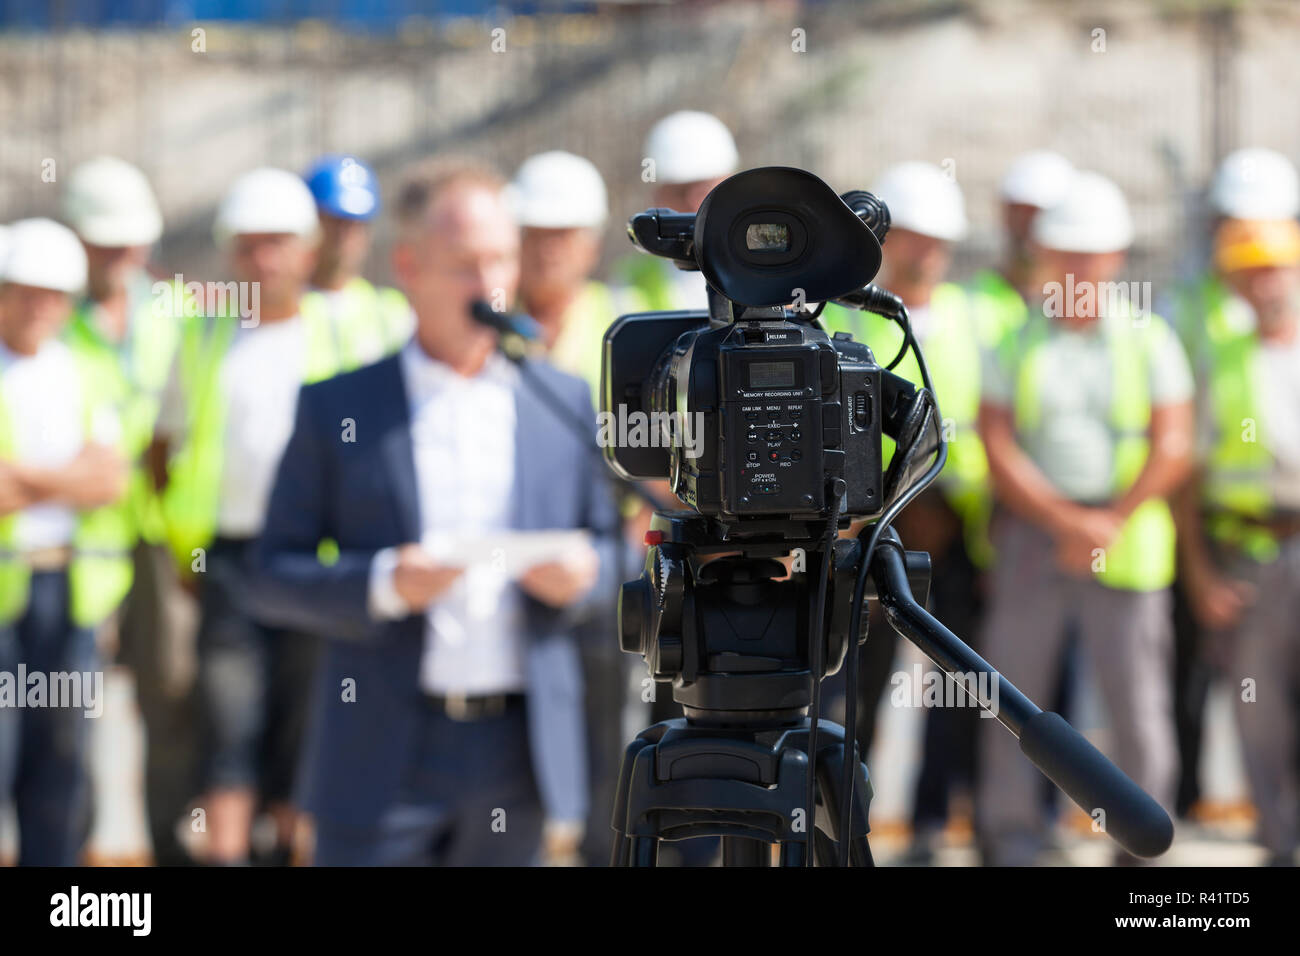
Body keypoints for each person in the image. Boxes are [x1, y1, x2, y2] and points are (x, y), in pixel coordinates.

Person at [252, 159, 620, 866]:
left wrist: (590, 572)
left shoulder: (561, 401)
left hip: (517, 757)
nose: (490, 284)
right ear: (408, 265)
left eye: (501, 260)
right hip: (378, 754)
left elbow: (614, 548)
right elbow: (269, 572)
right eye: (464, 264)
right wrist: (383, 582)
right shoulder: (339, 408)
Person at [152, 167, 374, 865]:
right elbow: (158, 453)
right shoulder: (202, 338)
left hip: (318, 563)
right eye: (249, 246)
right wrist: (184, 549)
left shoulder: (341, 335)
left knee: (308, 732)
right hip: (229, 561)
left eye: (278, 244)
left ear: (308, 250)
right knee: (228, 729)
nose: (263, 261)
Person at [975, 171, 1193, 866]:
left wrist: (1107, 522)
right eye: (1062, 252)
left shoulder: (1149, 340)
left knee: (1138, 710)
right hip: (1036, 542)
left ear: (1114, 259)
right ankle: (1011, 840)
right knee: (1013, 702)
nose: (1074, 267)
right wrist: (1067, 521)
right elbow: (998, 441)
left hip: (1124, 541)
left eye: (1087, 254)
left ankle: (1140, 846)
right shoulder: (1017, 340)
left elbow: (1174, 443)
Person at [825, 161, 996, 862]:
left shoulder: (978, 317)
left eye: (937, 241)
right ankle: (842, 823)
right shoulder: (839, 316)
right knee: (852, 695)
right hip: (866, 536)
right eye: (914, 238)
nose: (925, 253)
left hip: (957, 533)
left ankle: (930, 821)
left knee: (957, 693)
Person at [61, 155, 198, 866]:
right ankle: (76, 856)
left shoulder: (177, 313)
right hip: (72, 540)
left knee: (170, 699)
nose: (121, 257)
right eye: (106, 243)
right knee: (68, 708)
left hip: (156, 535)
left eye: (130, 243)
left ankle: (171, 851)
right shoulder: (48, 314)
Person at [1164, 147, 1300, 816]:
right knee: (1242, 694)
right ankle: (1242, 818)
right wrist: (1197, 566)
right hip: (1235, 540)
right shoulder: (1194, 316)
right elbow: (1184, 458)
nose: (1264, 277)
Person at [0, 218, 133, 865]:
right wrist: (64, 479)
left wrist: (23, 478)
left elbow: (110, 477)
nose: (39, 308)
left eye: (53, 295)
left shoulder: (85, 371)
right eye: (24, 291)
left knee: (62, 761)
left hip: (69, 592)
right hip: (5, 593)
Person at [612, 110, 739, 313]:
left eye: (706, 189)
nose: (696, 203)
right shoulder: (632, 284)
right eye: (682, 191)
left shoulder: (777, 265)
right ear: (657, 196)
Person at [302, 154, 413, 362]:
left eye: (356, 222)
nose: (346, 234)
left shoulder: (392, 311)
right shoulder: (281, 310)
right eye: (335, 220)